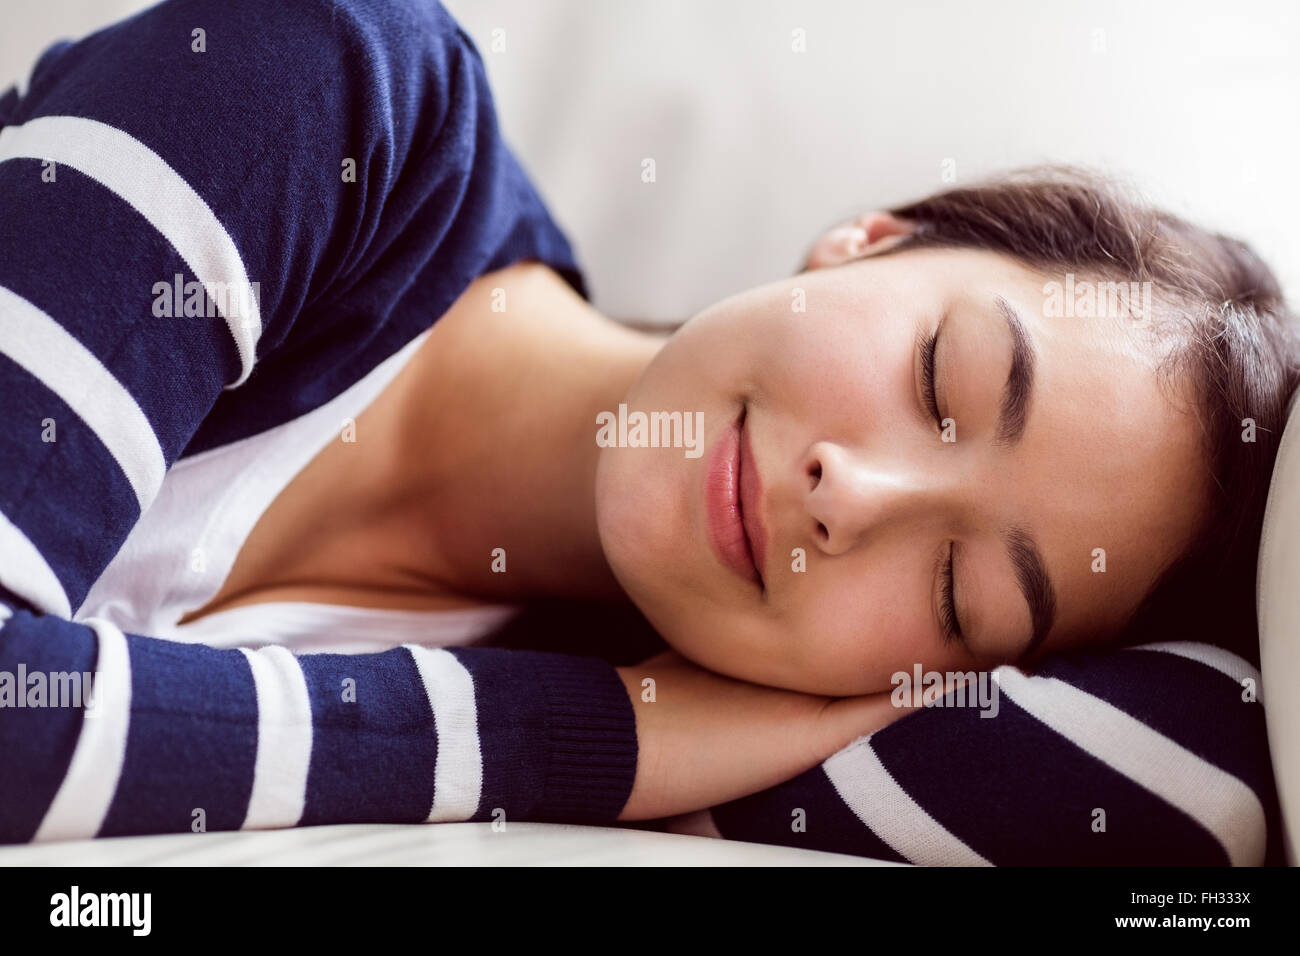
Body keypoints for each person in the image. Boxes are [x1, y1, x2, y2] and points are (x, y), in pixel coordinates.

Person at [0, 0, 1290, 863]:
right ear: (875, 237)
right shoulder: (333, 91)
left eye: (957, 595)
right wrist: (595, 741)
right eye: (943, 380)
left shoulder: (696, 709)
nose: (856, 495)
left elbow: (1216, 780)